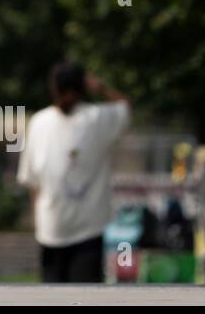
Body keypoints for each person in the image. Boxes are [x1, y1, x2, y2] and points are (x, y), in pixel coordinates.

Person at [17, 61, 130, 283]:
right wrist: (38, 221)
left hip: (86, 231)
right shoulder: (41, 123)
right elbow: (33, 181)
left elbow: (125, 107)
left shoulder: (95, 118)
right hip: (52, 231)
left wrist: (98, 88)